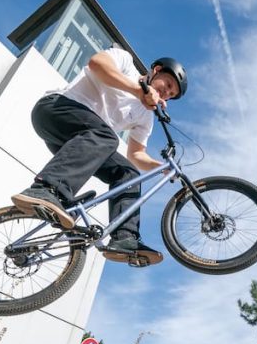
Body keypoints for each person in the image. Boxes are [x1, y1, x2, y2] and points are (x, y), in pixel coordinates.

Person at [11, 47, 188, 266]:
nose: (165, 94)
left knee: (128, 172)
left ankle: (124, 238)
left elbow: (135, 154)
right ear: (157, 70)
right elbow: (97, 64)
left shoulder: (146, 116)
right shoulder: (125, 61)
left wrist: (159, 166)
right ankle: (45, 189)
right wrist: (138, 90)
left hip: (78, 141)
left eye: (170, 95)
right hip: (54, 110)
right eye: (167, 86)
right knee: (107, 137)